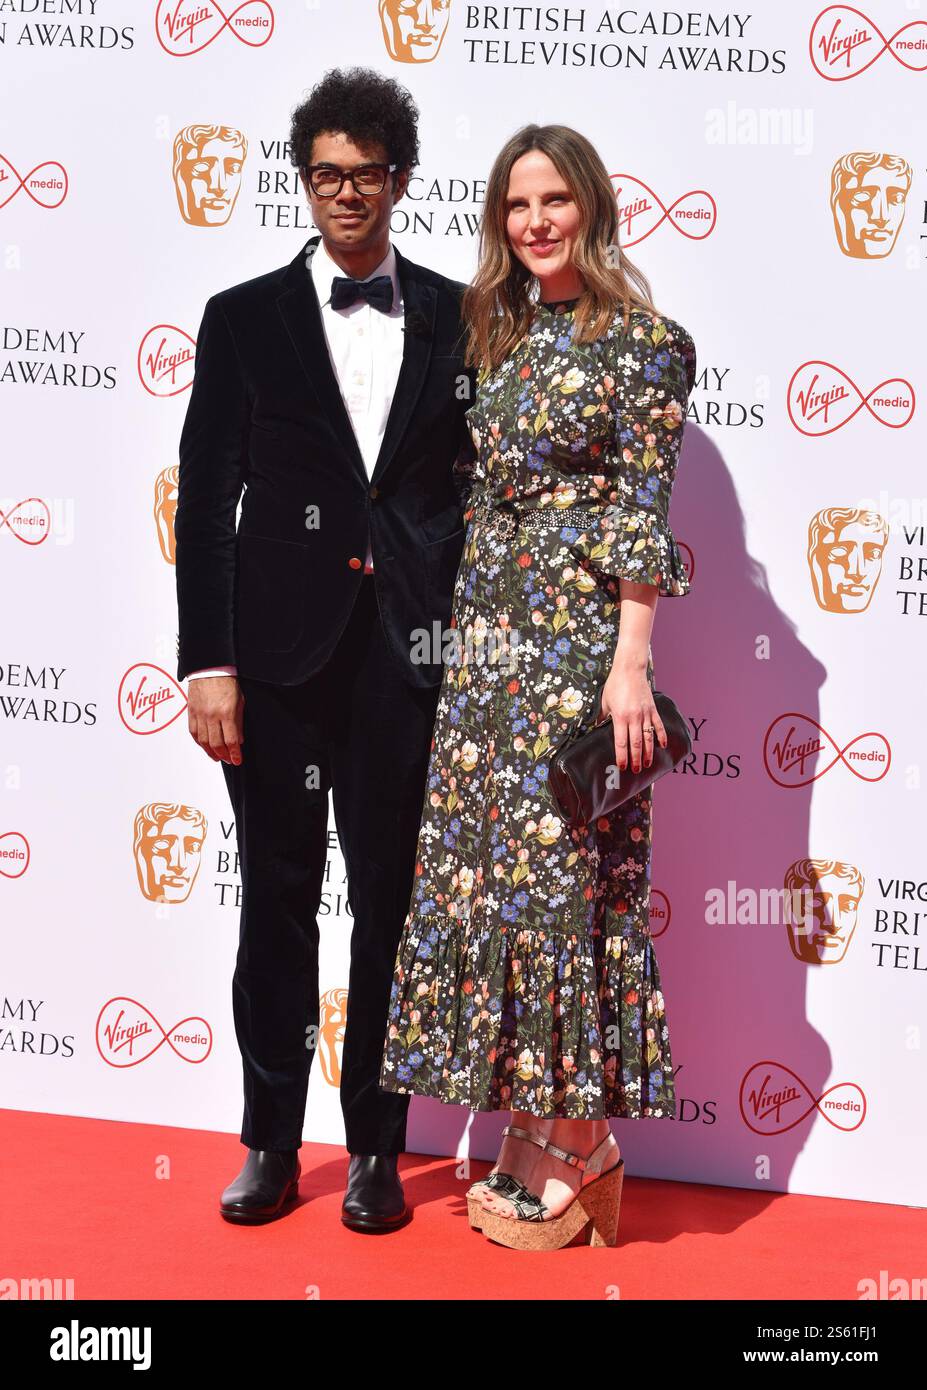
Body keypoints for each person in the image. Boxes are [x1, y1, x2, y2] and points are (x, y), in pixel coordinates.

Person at [379, 123, 697, 1250]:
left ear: (593, 207)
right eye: (517, 205)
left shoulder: (645, 343)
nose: (536, 222)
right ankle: (527, 1125)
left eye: (556, 199)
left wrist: (630, 664)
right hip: (487, 647)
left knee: (569, 877)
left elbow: (638, 512)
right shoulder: (496, 336)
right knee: (495, 883)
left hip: (575, 646)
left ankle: (582, 1142)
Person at [174, 67, 472, 1231]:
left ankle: (376, 1154)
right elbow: (207, 505)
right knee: (276, 909)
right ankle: (266, 1141)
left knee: (389, 906)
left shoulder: (460, 314)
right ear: (304, 180)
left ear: (399, 179)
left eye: (368, 172)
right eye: (326, 174)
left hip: (407, 664)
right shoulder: (241, 317)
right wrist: (209, 665)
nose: (347, 193)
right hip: (279, 669)